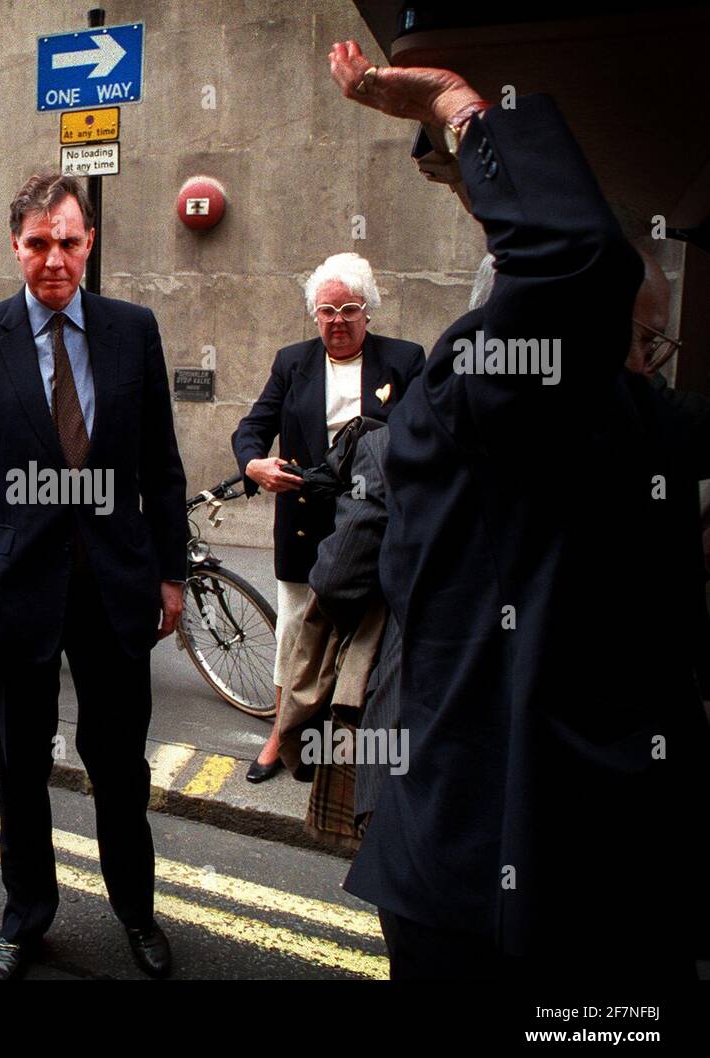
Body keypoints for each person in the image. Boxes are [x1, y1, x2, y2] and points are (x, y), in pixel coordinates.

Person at [327, 40, 710, 978]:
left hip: (606, 872)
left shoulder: (627, 417)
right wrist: (460, 108)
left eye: (656, 349)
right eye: (640, 341)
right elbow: (577, 266)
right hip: (484, 884)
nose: (646, 365)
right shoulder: (473, 389)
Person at [0, 172, 188, 980]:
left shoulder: (132, 330)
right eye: (38, 243)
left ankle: (136, 912)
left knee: (120, 766)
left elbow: (164, 469)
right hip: (11, 589)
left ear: (89, 243)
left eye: (68, 241)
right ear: (16, 246)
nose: (53, 259)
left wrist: (171, 574)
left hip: (116, 588)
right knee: (20, 764)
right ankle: (25, 918)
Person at [230, 253, 423, 783]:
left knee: (368, 633)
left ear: (368, 312)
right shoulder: (292, 362)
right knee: (296, 627)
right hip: (304, 515)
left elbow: (424, 435)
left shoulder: (404, 361)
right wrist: (253, 463)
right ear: (314, 315)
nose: (337, 320)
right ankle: (281, 734)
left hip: (374, 518)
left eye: (349, 309)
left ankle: (347, 745)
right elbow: (254, 425)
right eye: (326, 310)